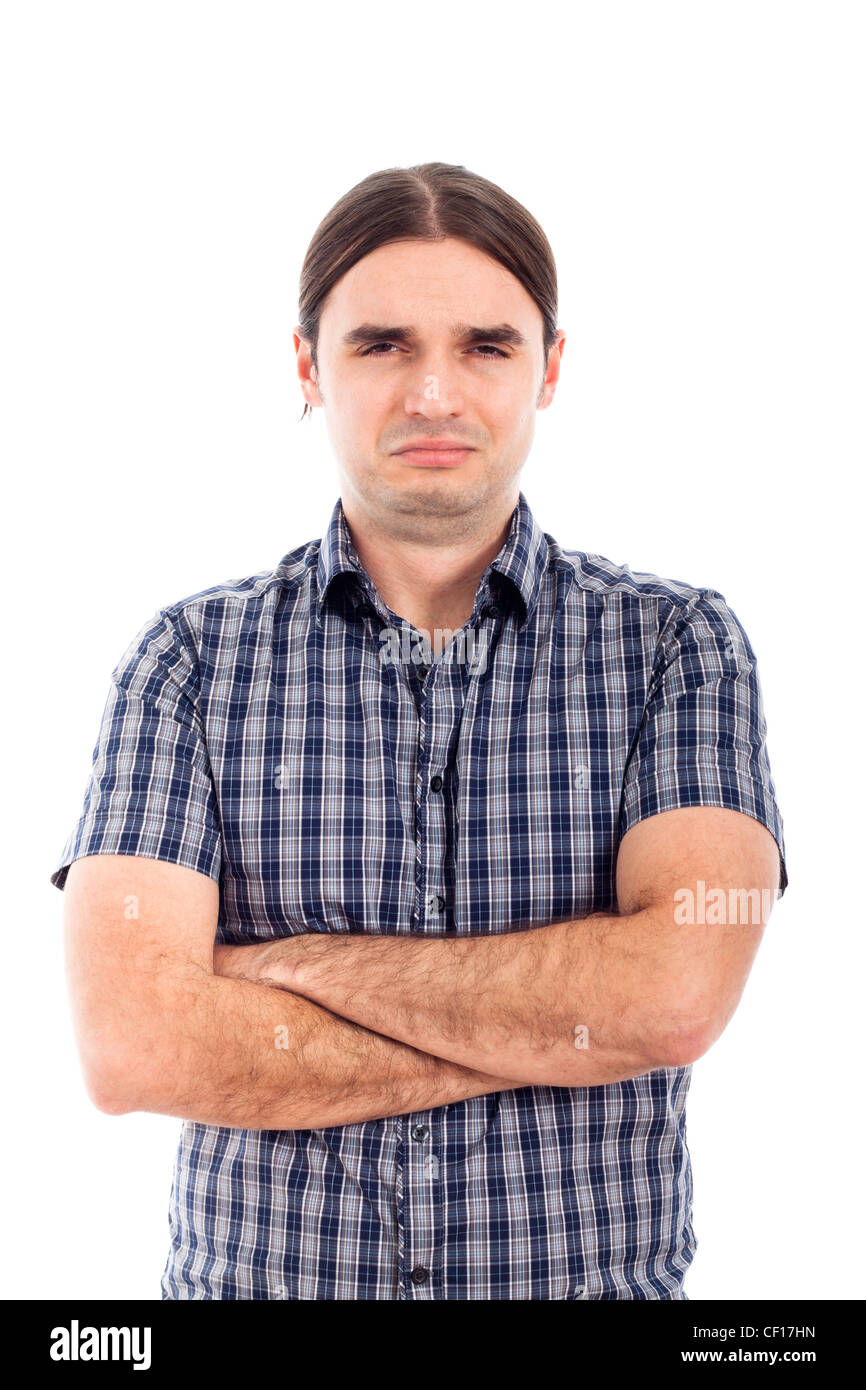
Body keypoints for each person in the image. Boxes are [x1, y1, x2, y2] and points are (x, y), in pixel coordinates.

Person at [51, 162, 787, 1300]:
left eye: (486, 346)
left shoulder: (675, 647)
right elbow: (135, 1045)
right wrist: (545, 1023)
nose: (434, 394)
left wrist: (280, 976)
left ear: (549, 369)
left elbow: (670, 997)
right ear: (307, 365)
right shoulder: (186, 661)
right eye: (381, 343)